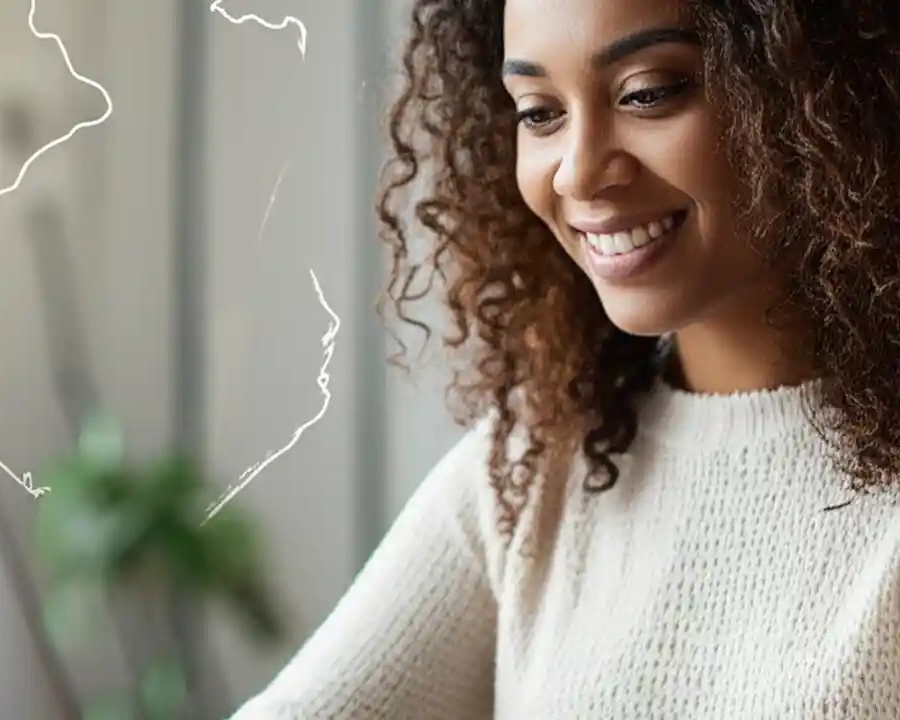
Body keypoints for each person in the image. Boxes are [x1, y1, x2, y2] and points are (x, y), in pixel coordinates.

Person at [231, 0, 900, 716]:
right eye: (539, 112)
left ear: (824, 91)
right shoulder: (535, 464)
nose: (578, 174)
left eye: (647, 93)